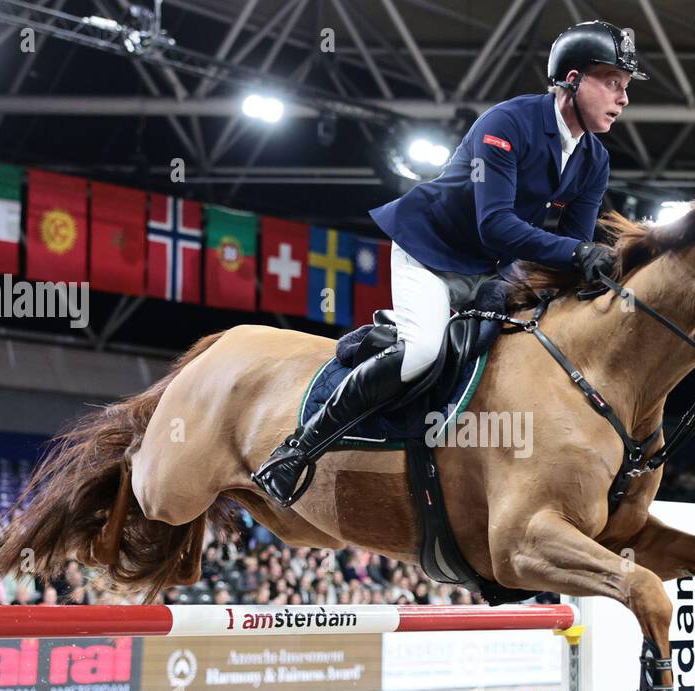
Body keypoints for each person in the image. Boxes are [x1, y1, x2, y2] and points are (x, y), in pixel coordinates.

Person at [253, 20, 645, 506]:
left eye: (625, 87)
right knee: (421, 351)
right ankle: (298, 449)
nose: (623, 98)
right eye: (613, 83)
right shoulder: (508, 124)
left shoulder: (594, 160)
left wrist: (591, 269)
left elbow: (572, 246)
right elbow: (496, 225)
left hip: (488, 273)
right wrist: (578, 253)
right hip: (430, 251)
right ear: (571, 79)